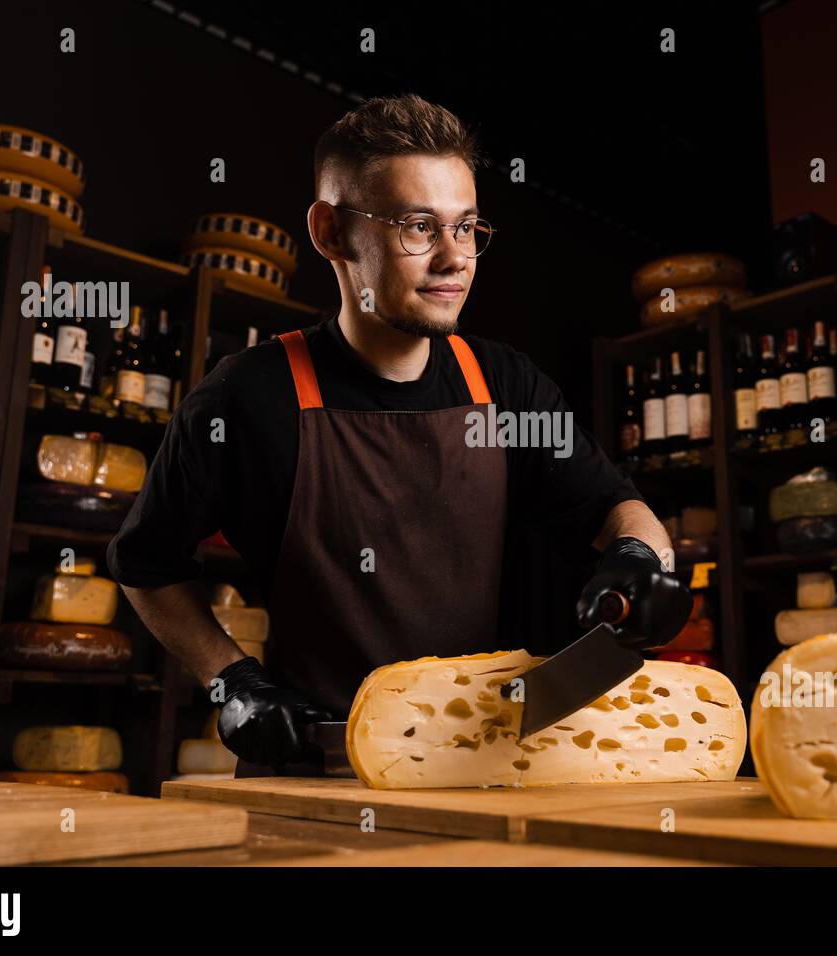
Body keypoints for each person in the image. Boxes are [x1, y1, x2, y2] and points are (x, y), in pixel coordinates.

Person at [106, 93, 689, 774]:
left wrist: (641, 560)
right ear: (330, 232)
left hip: (475, 765)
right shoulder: (246, 396)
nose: (454, 259)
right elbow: (145, 564)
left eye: (466, 227)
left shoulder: (505, 386)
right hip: (313, 770)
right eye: (419, 226)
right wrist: (231, 680)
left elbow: (618, 509)